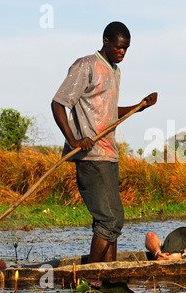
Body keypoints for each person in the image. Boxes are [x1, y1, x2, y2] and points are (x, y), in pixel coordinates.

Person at [51, 21, 157, 263]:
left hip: (109, 154)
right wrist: (74, 140)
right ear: (105, 41)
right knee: (108, 219)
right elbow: (58, 103)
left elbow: (108, 111)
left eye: (126, 49)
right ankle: (92, 276)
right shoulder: (86, 66)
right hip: (90, 157)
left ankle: (108, 273)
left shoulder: (115, 71)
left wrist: (139, 107)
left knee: (114, 220)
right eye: (119, 47)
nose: (122, 53)